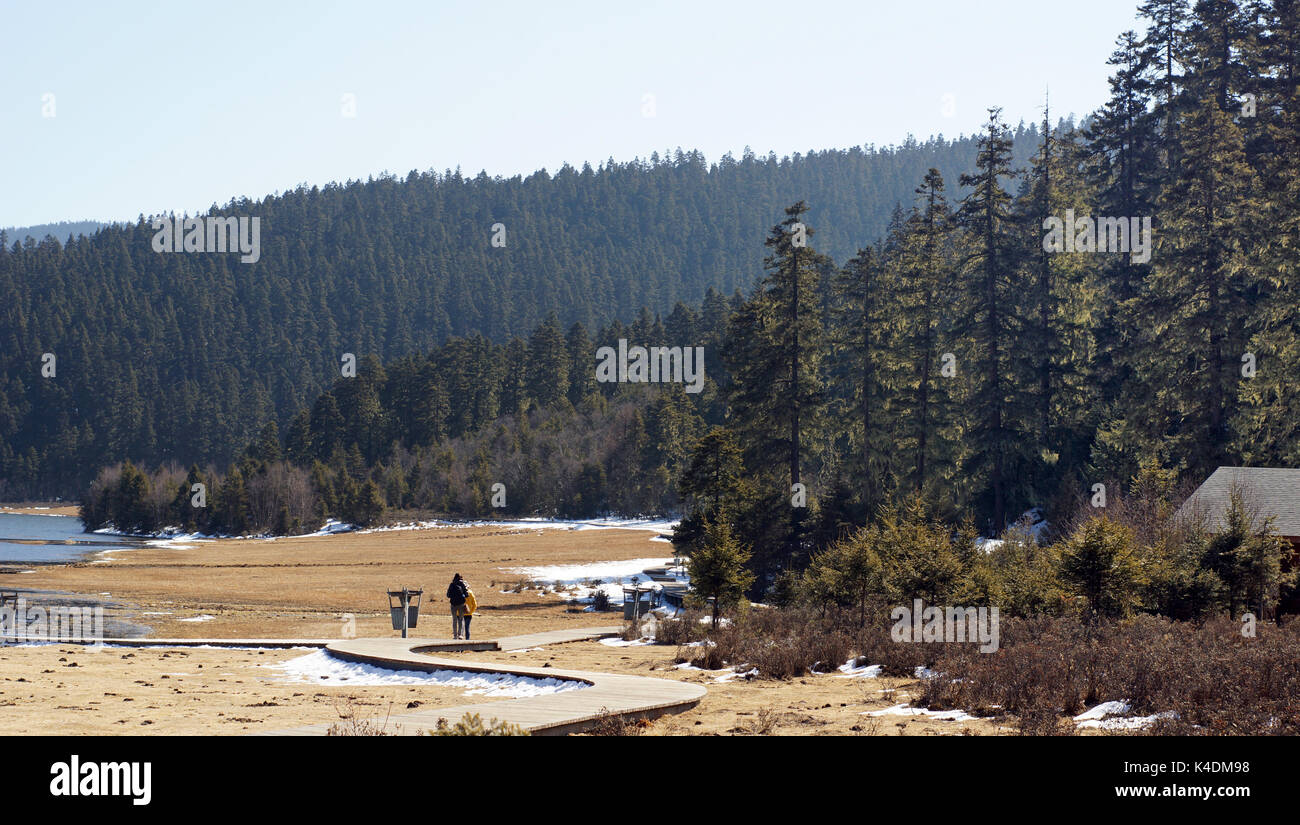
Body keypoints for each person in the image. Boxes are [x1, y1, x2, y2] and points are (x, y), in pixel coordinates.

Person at [446, 573, 469, 639]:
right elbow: (466, 594)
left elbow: (448, 595)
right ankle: (460, 635)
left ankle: (455, 635)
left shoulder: (452, 584)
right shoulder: (462, 584)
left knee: (454, 620)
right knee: (461, 619)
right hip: (461, 604)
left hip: (453, 604)